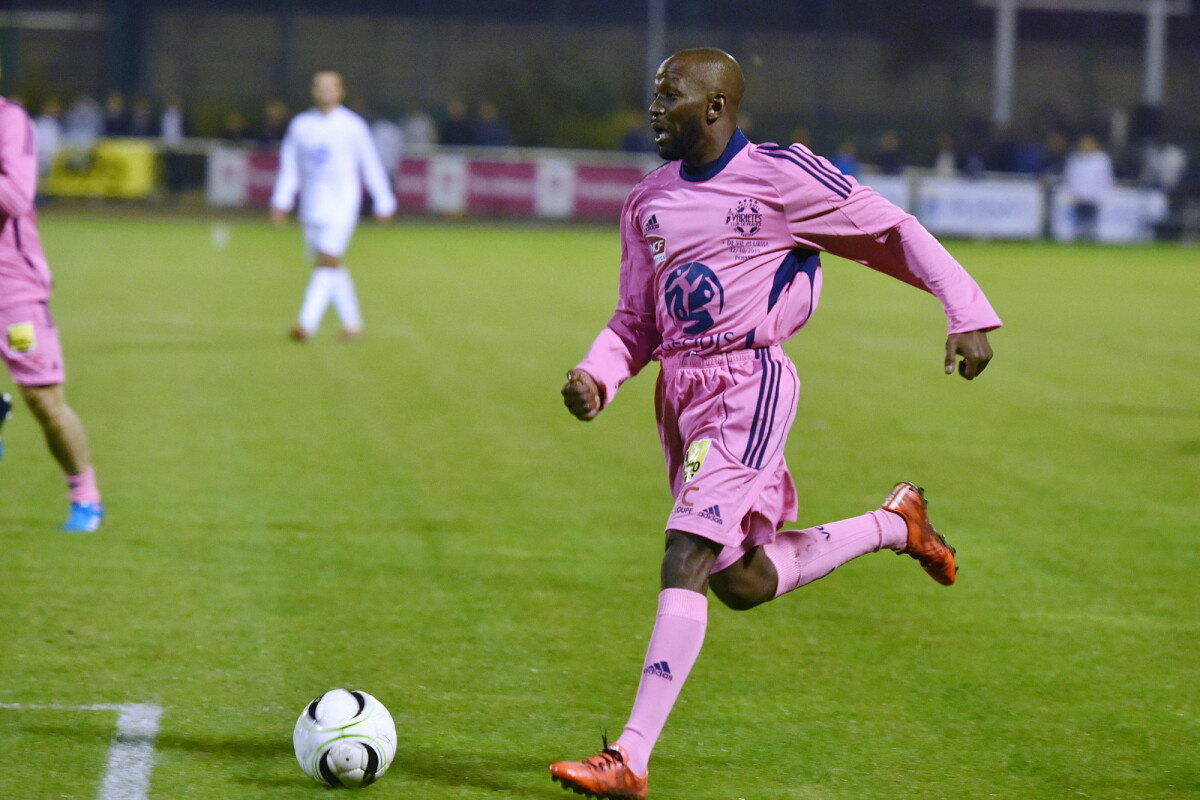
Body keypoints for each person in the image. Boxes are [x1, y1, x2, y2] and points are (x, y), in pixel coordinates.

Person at [550, 48, 1000, 799]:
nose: (655, 108)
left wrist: (967, 311)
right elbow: (636, 319)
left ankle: (630, 757)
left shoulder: (782, 176)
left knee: (685, 550)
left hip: (747, 383)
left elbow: (892, 229)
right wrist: (599, 373)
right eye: (654, 95)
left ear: (718, 107)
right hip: (682, 396)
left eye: (671, 95)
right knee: (742, 581)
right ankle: (897, 523)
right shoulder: (647, 203)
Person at [0, 86, 103, 532]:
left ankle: (85, 496)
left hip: (11, 289)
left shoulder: (10, 120)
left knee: (43, 399)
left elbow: (16, 196)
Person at [270, 70, 396, 342]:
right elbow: (289, 166)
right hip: (312, 205)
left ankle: (306, 324)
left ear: (341, 92)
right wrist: (282, 200)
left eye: (331, 87)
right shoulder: (301, 125)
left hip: (343, 204)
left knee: (326, 261)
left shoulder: (353, 126)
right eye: (320, 87)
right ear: (313, 91)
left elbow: (370, 164)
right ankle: (353, 324)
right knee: (329, 264)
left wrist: (384, 199)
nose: (326, 92)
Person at [1061, 133, 1114, 242]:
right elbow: (1069, 177)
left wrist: (1101, 194)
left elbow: (1106, 179)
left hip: (1094, 197)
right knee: (1078, 221)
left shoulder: (1101, 160)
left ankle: (1092, 239)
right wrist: (1071, 194)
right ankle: (1078, 239)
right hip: (1078, 196)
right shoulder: (1075, 159)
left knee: (1092, 221)